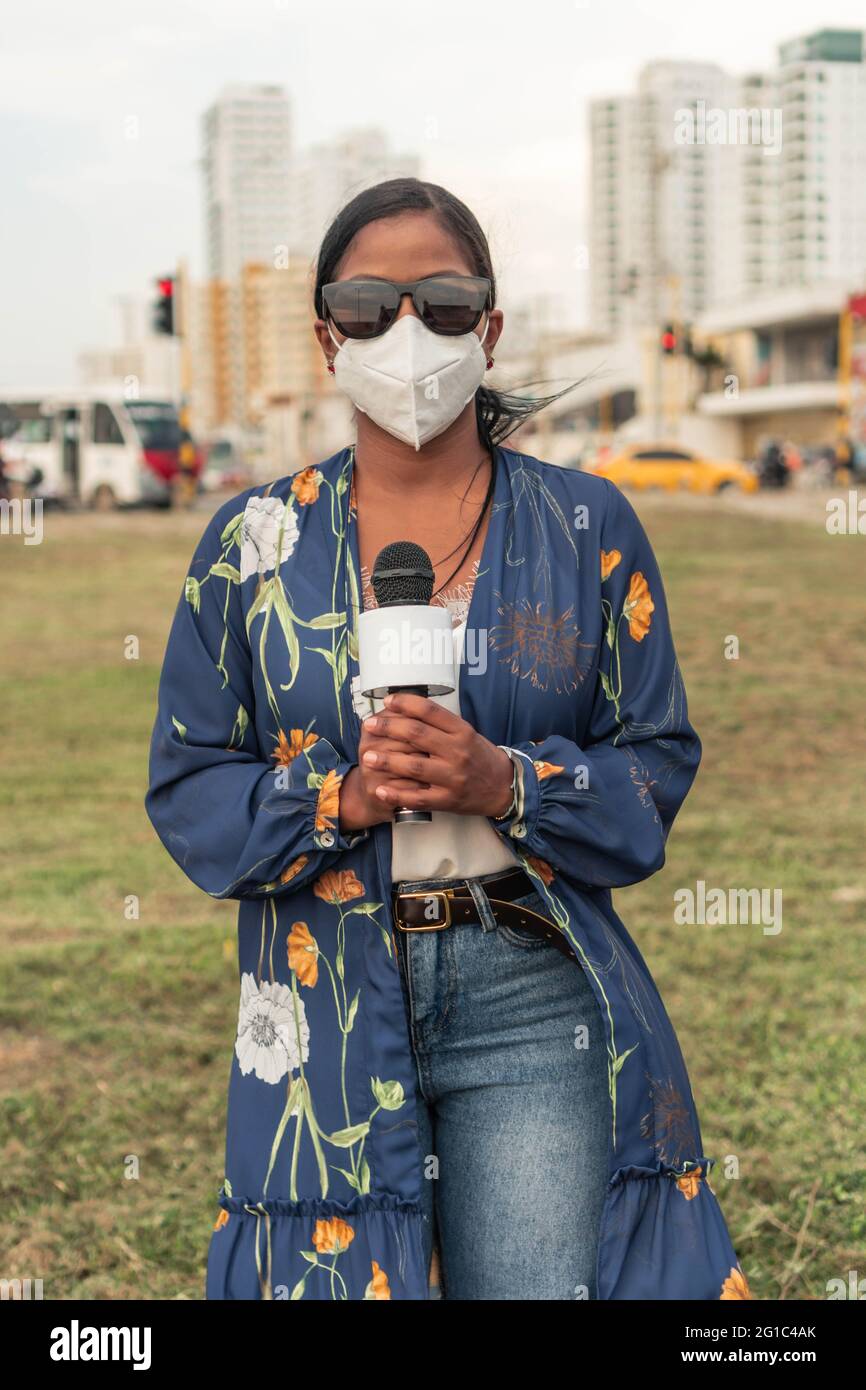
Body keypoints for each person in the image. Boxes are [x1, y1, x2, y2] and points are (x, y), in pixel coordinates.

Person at [145, 178, 748, 1301]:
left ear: (493, 324)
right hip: (324, 1000)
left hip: (529, 995)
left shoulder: (584, 526)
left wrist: (507, 781)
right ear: (326, 333)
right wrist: (339, 800)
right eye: (369, 305)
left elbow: (653, 761)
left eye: (444, 300)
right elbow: (187, 785)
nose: (406, 331)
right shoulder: (251, 544)